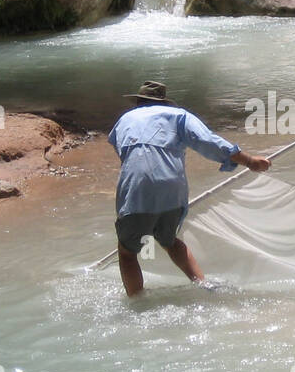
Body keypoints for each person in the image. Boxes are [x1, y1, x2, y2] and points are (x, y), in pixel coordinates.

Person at [109, 80, 270, 297]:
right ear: (164, 102)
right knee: (169, 241)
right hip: (173, 190)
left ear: (138, 101)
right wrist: (250, 161)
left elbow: (126, 152)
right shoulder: (179, 116)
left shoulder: (124, 120)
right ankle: (204, 285)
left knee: (128, 252)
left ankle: (137, 302)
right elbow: (210, 142)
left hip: (137, 189)